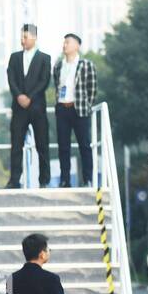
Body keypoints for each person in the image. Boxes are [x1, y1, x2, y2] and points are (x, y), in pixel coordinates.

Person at [6, 24, 52, 189]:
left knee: (42, 144)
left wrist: (29, 98)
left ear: (34, 37)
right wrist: (19, 96)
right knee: (16, 144)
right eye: (21, 36)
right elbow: (11, 79)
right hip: (18, 108)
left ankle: (44, 180)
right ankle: (14, 180)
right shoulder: (14, 57)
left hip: (37, 108)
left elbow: (44, 81)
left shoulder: (45, 58)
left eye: (25, 37)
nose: (22, 40)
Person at [52, 33, 97, 187]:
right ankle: (65, 180)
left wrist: (87, 105)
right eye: (64, 42)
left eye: (68, 42)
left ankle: (87, 179)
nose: (65, 45)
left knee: (84, 145)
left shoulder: (86, 65)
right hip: (62, 109)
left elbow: (92, 89)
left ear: (77, 46)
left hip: (80, 110)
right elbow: (56, 85)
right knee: (63, 146)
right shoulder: (58, 65)